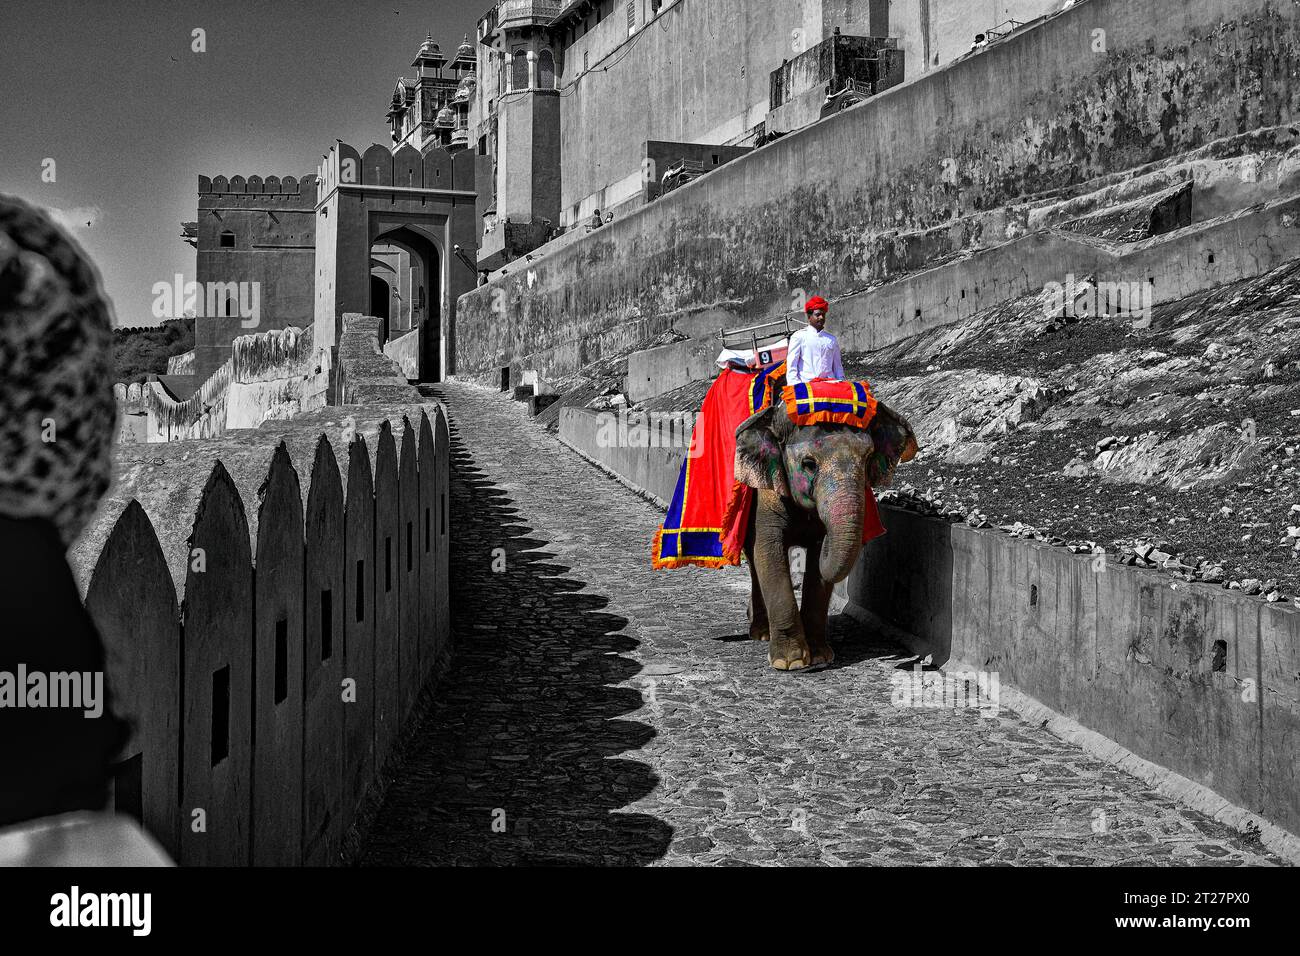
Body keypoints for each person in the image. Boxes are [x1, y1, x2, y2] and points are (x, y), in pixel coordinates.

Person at [785, 294, 844, 385]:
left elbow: (838, 367)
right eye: (818, 315)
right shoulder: (799, 337)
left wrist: (842, 383)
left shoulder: (831, 339)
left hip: (831, 384)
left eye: (823, 314)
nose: (821, 317)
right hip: (807, 386)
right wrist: (795, 387)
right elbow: (792, 365)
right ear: (809, 317)